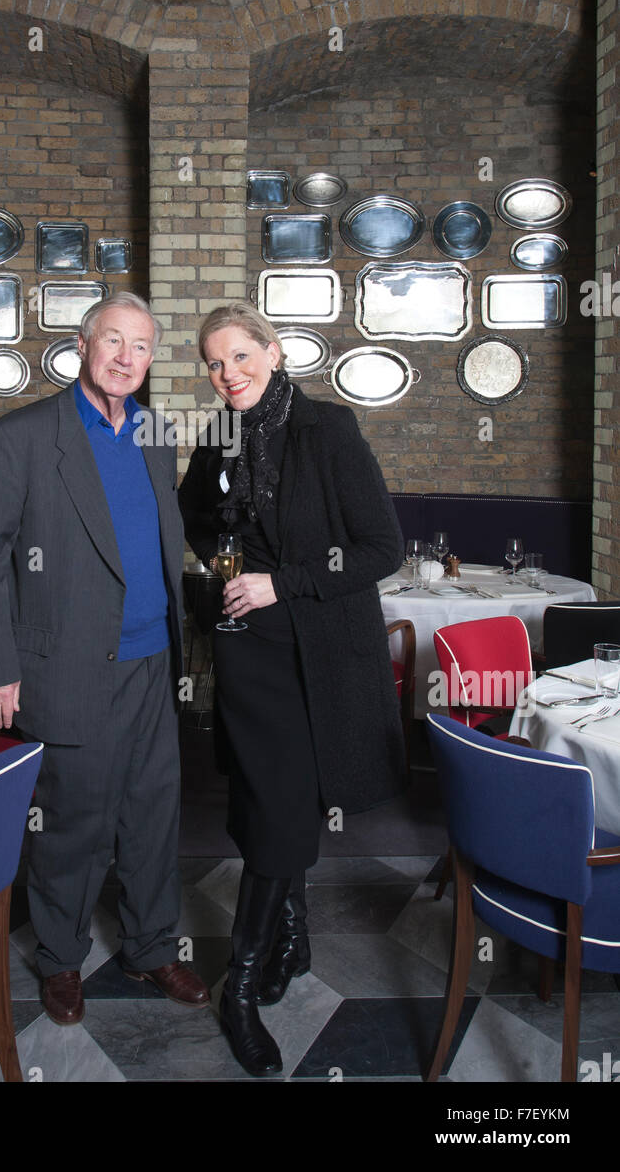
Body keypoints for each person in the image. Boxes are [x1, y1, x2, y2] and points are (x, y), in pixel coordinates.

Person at [0, 293, 209, 1024]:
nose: (126, 357)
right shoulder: (25, 435)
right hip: (66, 665)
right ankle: (61, 959)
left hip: (154, 661)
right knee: (71, 821)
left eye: (140, 345)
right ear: (83, 345)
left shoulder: (157, 434)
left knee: (153, 815)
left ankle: (152, 946)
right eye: (113, 341)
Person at [178, 301, 405, 1076]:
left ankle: (238, 985)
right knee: (270, 803)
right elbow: (193, 521)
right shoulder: (217, 436)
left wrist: (283, 583)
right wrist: (227, 563)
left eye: (240, 356)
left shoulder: (328, 431)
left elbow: (383, 550)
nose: (227, 374)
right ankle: (292, 939)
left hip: (321, 652)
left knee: (288, 805)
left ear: (272, 353)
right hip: (249, 654)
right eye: (214, 363)